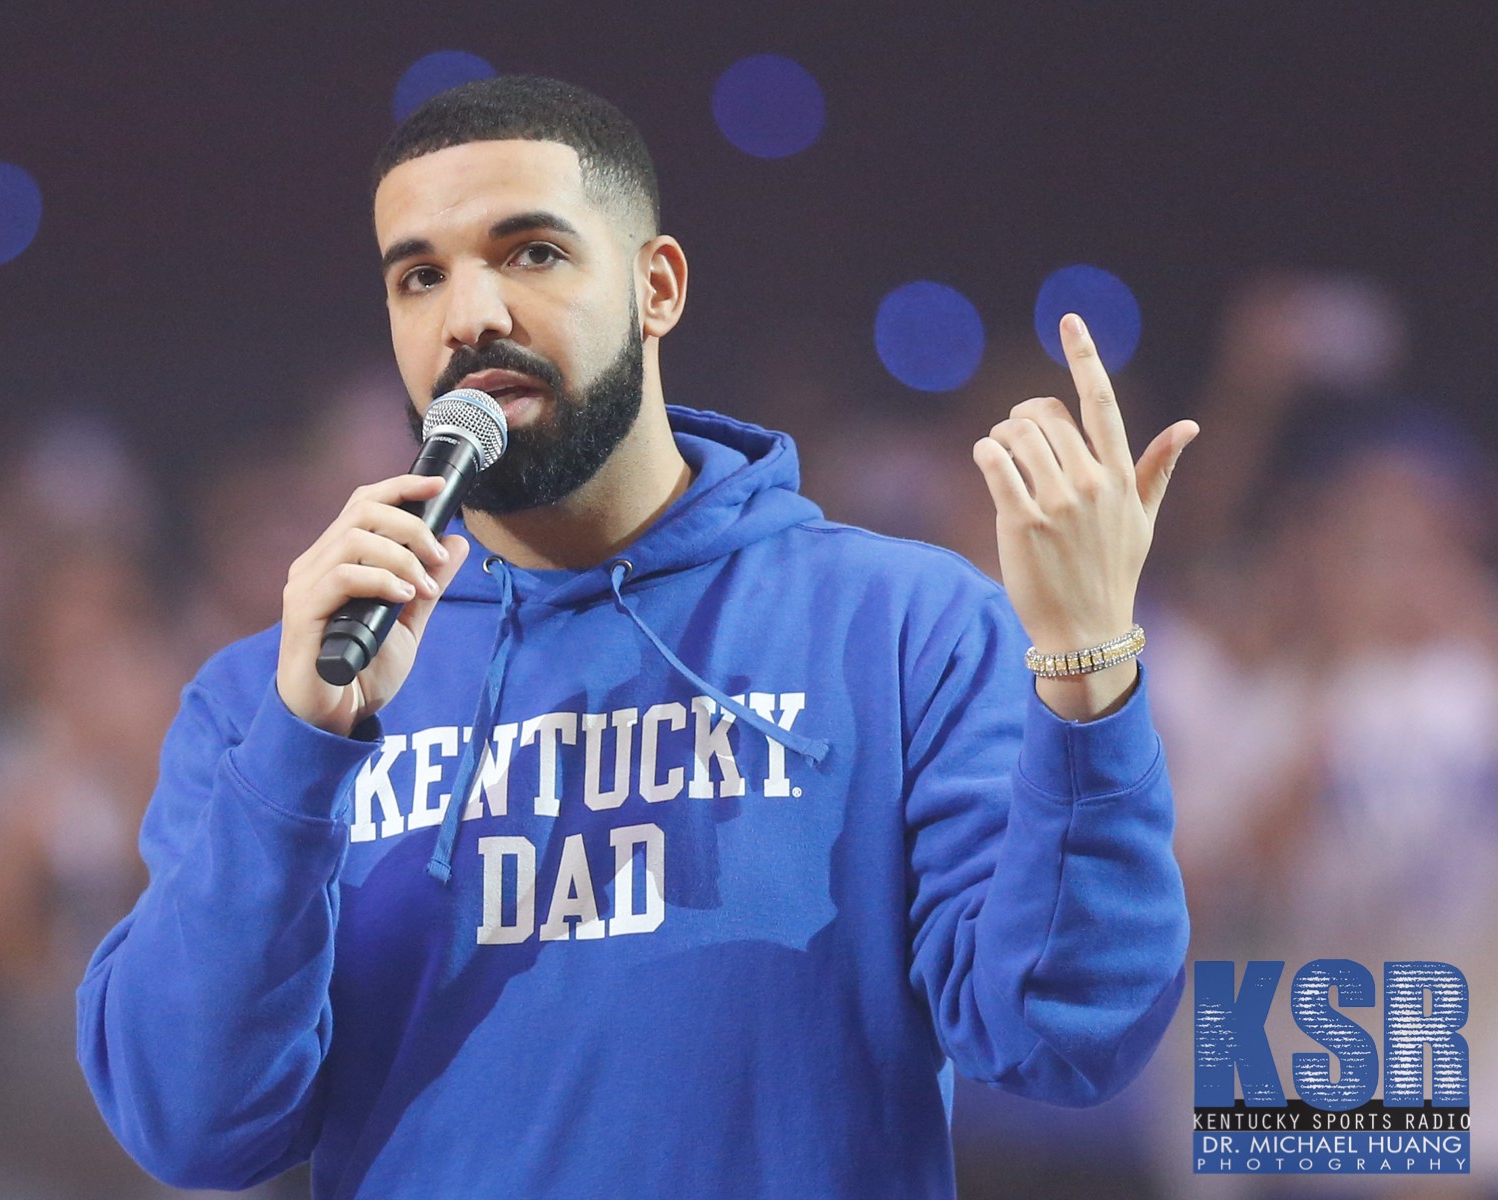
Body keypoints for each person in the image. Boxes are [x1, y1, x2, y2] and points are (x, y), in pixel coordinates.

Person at [76, 75, 1199, 1199]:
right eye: (421, 276)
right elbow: (191, 1122)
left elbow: (1063, 1033)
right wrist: (299, 749)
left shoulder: (904, 627)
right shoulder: (280, 695)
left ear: (656, 287)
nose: (469, 315)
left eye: (531, 253)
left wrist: (1089, 669)